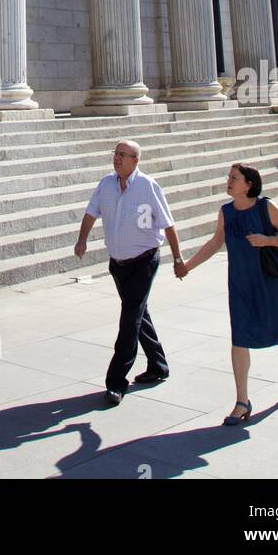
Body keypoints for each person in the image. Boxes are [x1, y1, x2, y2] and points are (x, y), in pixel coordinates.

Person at [177, 162, 278, 425]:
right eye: (229, 177)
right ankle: (242, 401)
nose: (229, 181)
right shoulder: (226, 212)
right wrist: (188, 266)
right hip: (240, 285)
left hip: (271, 282)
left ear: (249, 184)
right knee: (239, 339)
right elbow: (214, 243)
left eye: (234, 178)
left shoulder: (266, 207)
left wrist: (267, 239)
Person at [74, 139, 183, 406]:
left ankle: (115, 382)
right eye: (116, 154)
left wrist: (178, 257)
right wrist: (82, 239)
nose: (117, 158)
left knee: (129, 319)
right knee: (138, 313)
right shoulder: (106, 184)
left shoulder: (148, 187)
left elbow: (168, 224)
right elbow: (91, 213)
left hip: (144, 261)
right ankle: (158, 365)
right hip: (118, 263)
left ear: (135, 161)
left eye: (123, 155)